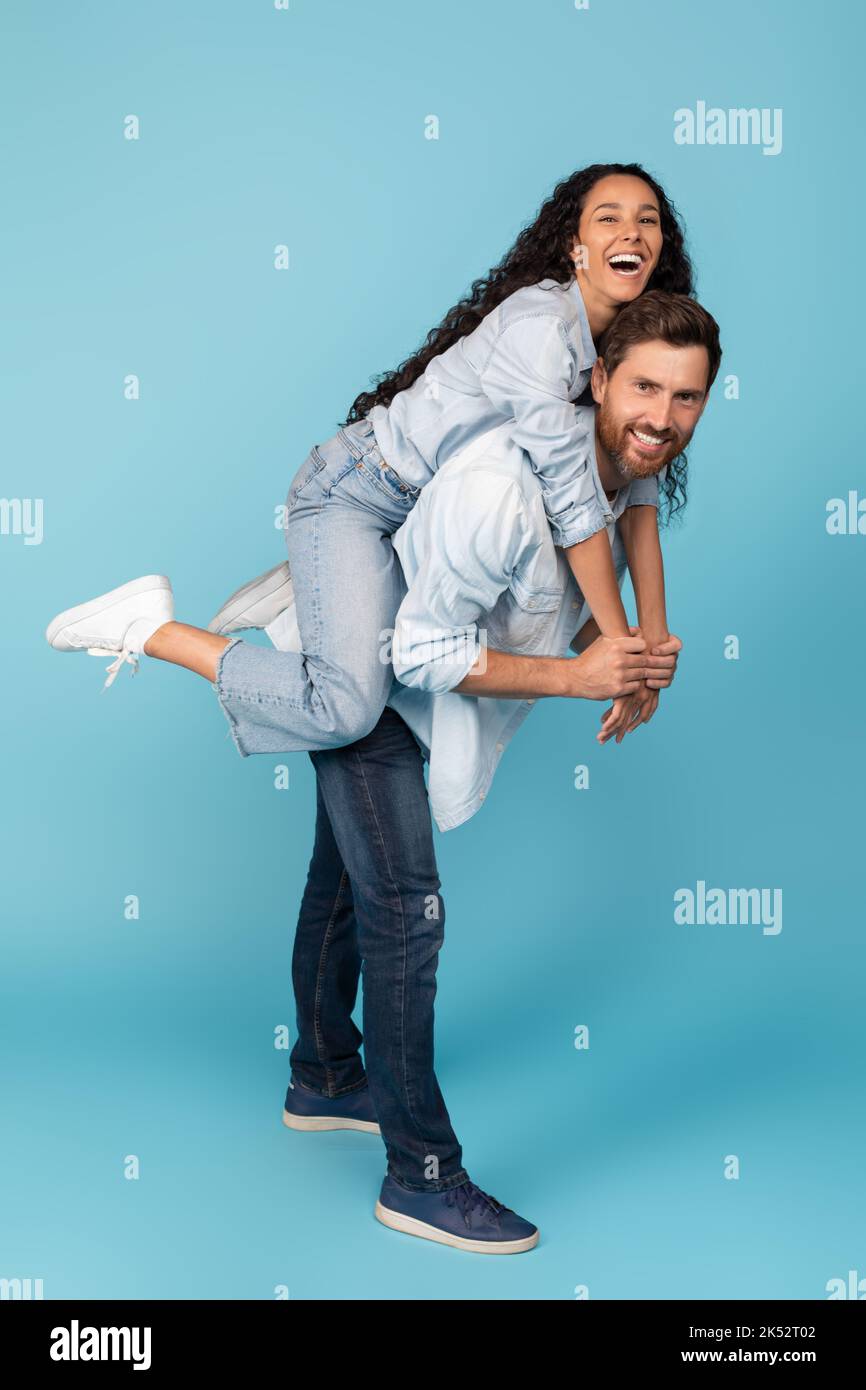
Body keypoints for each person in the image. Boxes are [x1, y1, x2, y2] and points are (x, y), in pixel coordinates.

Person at [221, 292, 721, 1252]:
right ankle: (421, 1176)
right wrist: (580, 675)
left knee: (343, 883)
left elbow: (594, 571)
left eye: (688, 398)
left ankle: (324, 1075)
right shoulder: (503, 483)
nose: (663, 416)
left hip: (415, 704)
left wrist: (641, 647)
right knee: (405, 913)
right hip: (380, 687)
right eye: (645, 387)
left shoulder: (614, 480)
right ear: (597, 381)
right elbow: (416, 655)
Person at [45, 164, 694, 747]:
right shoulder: (540, 326)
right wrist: (619, 653)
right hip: (361, 494)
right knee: (347, 708)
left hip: (429, 523)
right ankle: (148, 628)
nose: (630, 231)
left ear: (662, 246)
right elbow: (574, 500)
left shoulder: (630, 352)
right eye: (607, 217)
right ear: (573, 246)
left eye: (648, 220)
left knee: (393, 706)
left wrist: (648, 648)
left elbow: (638, 492)